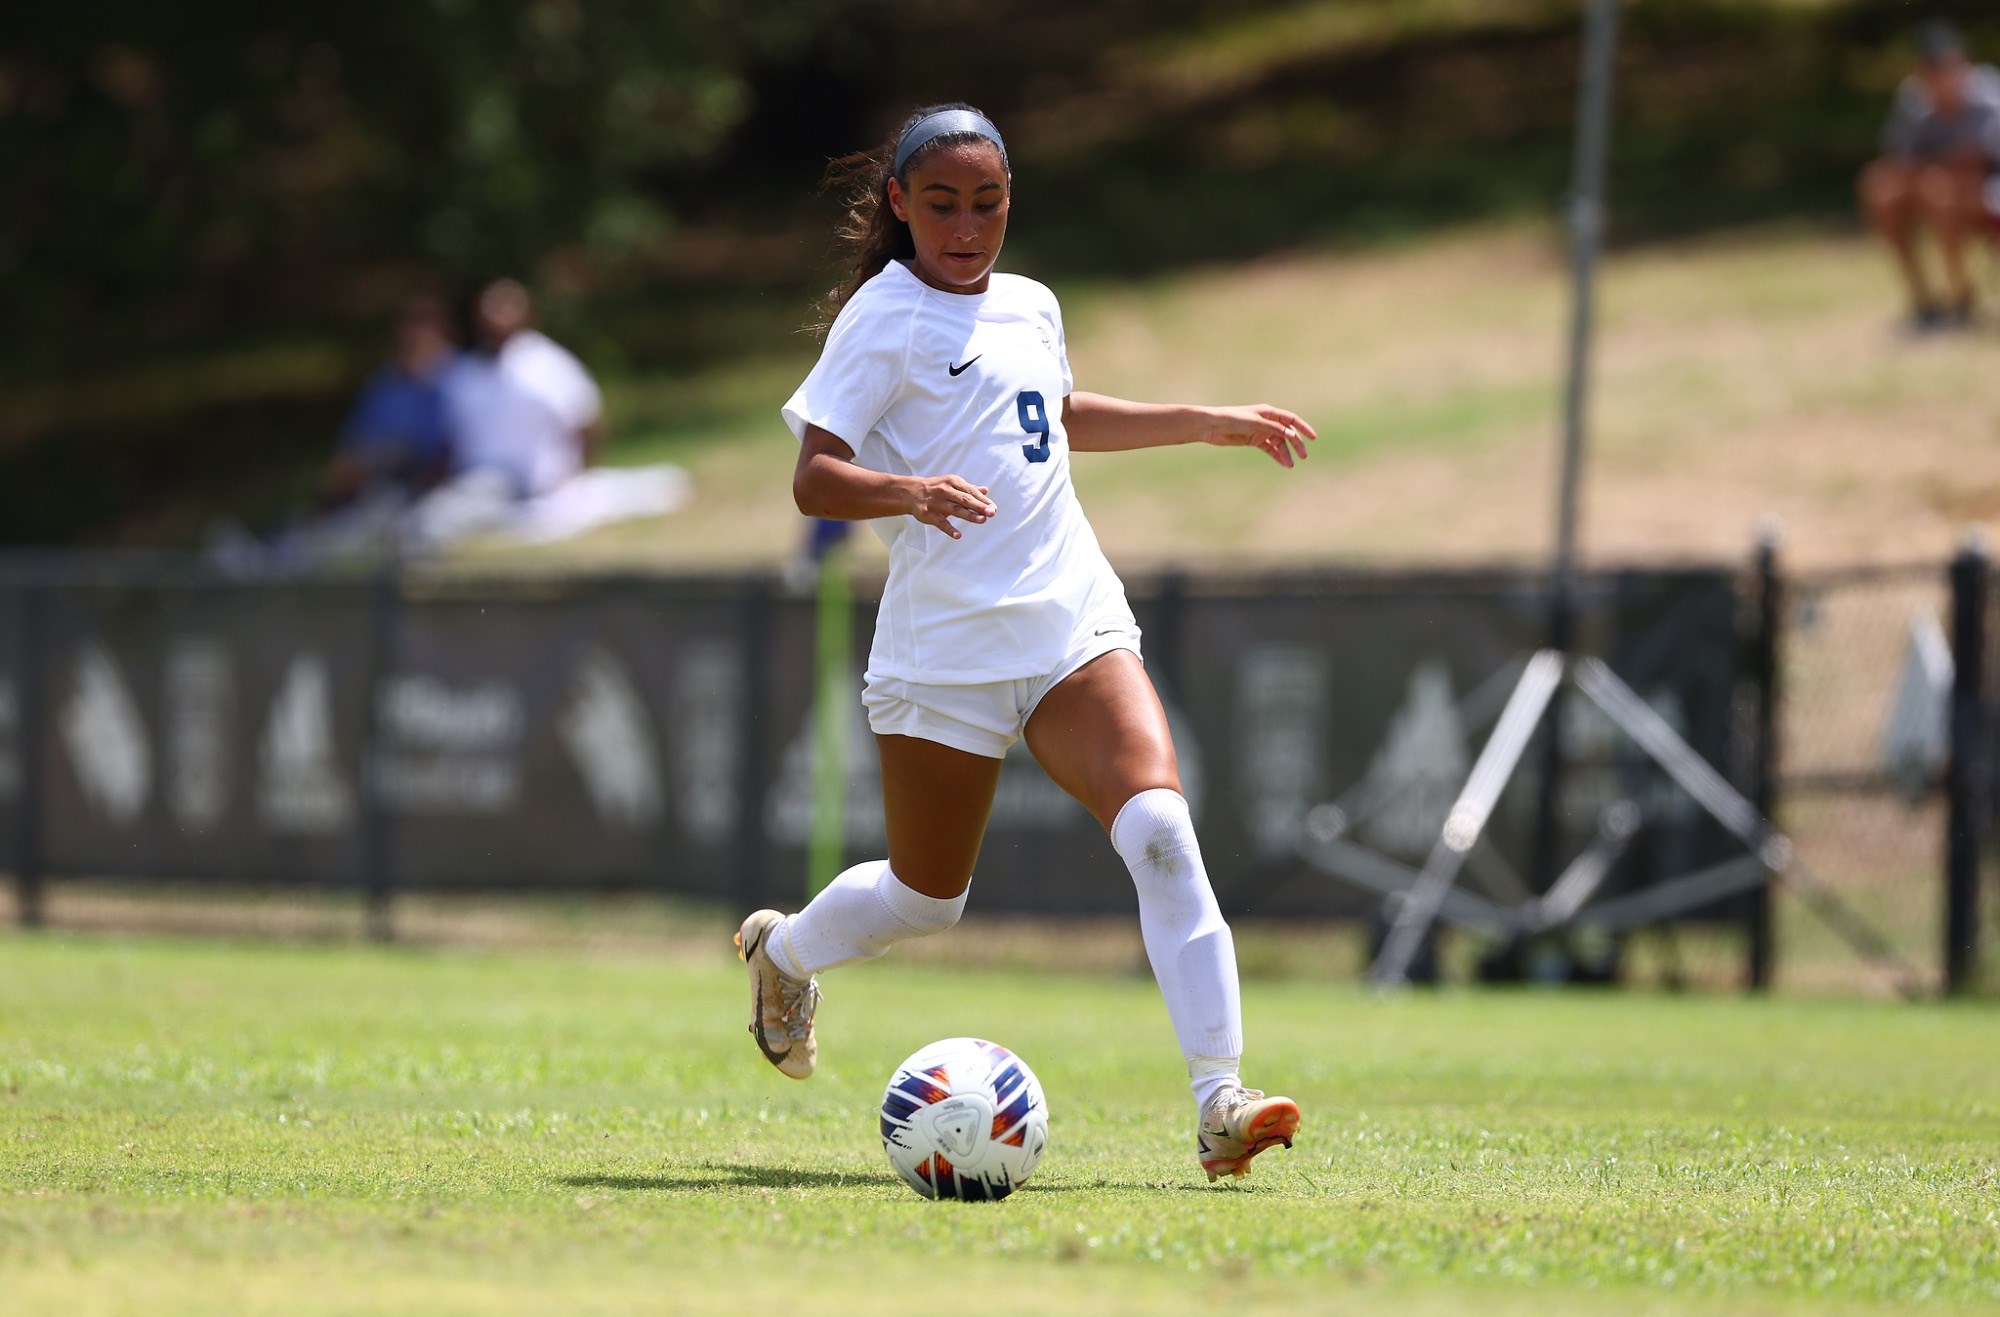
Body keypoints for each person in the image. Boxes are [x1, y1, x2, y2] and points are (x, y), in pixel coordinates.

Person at [736, 104, 1319, 1183]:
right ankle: (783, 953)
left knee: (1158, 830)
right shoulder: (881, 316)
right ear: (900, 205)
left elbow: (1050, 413)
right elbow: (815, 476)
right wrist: (906, 490)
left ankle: (1219, 1101)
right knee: (926, 898)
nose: (967, 225)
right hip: (943, 649)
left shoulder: (1030, 305)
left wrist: (1204, 419)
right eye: (944, 203)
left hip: (1067, 622)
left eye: (988, 202)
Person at [415, 279, 603, 544]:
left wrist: (577, 481)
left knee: (444, 514)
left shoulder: (545, 364)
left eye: (506, 308)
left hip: (524, 482)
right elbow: (453, 438)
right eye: (490, 309)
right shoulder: (466, 372)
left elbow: (585, 422)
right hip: (473, 476)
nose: (496, 317)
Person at [1858, 20, 2000, 330]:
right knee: (1880, 189)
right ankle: (1924, 301)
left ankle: (1962, 298)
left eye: (1946, 68)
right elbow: (1898, 159)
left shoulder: (1990, 96)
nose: (1940, 78)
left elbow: (1985, 160)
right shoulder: (1914, 98)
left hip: (1986, 191)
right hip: (1933, 185)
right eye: (1931, 70)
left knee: (1942, 194)